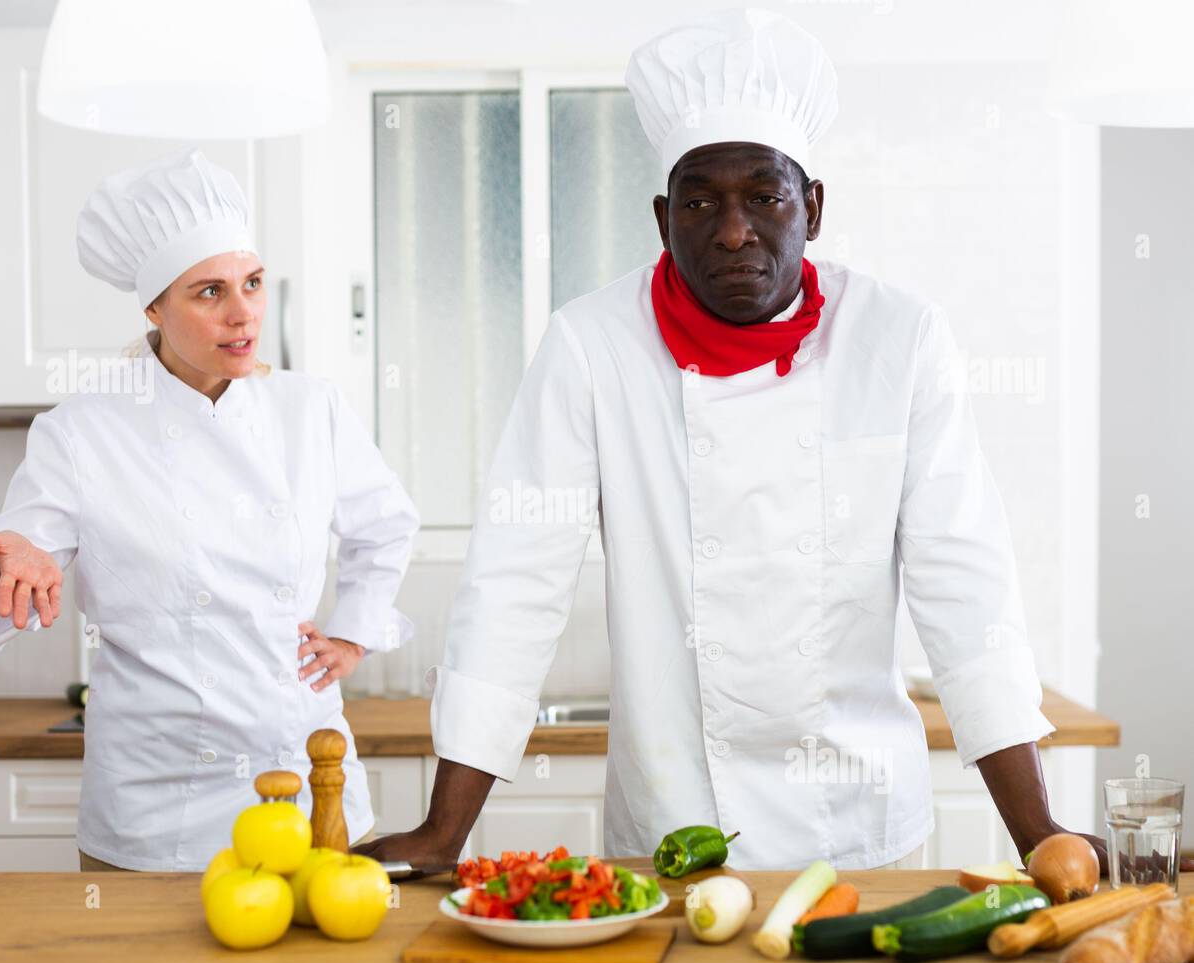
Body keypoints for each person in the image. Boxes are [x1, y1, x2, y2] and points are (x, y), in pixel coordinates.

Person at [357, 8, 1129, 876]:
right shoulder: (591, 346)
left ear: (815, 207)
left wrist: (1038, 830)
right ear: (662, 218)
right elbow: (514, 586)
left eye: (764, 195)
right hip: (677, 826)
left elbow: (967, 583)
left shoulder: (899, 338)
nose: (733, 230)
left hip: (861, 827)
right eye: (701, 201)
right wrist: (442, 832)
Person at [0, 148, 419, 872]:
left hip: (309, 789)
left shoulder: (310, 409)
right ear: (154, 306)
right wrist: (16, 559)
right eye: (209, 292)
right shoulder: (84, 430)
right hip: (156, 810)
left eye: (252, 283)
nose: (243, 312)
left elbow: (387, 524)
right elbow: (21, 550)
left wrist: (352, 629)